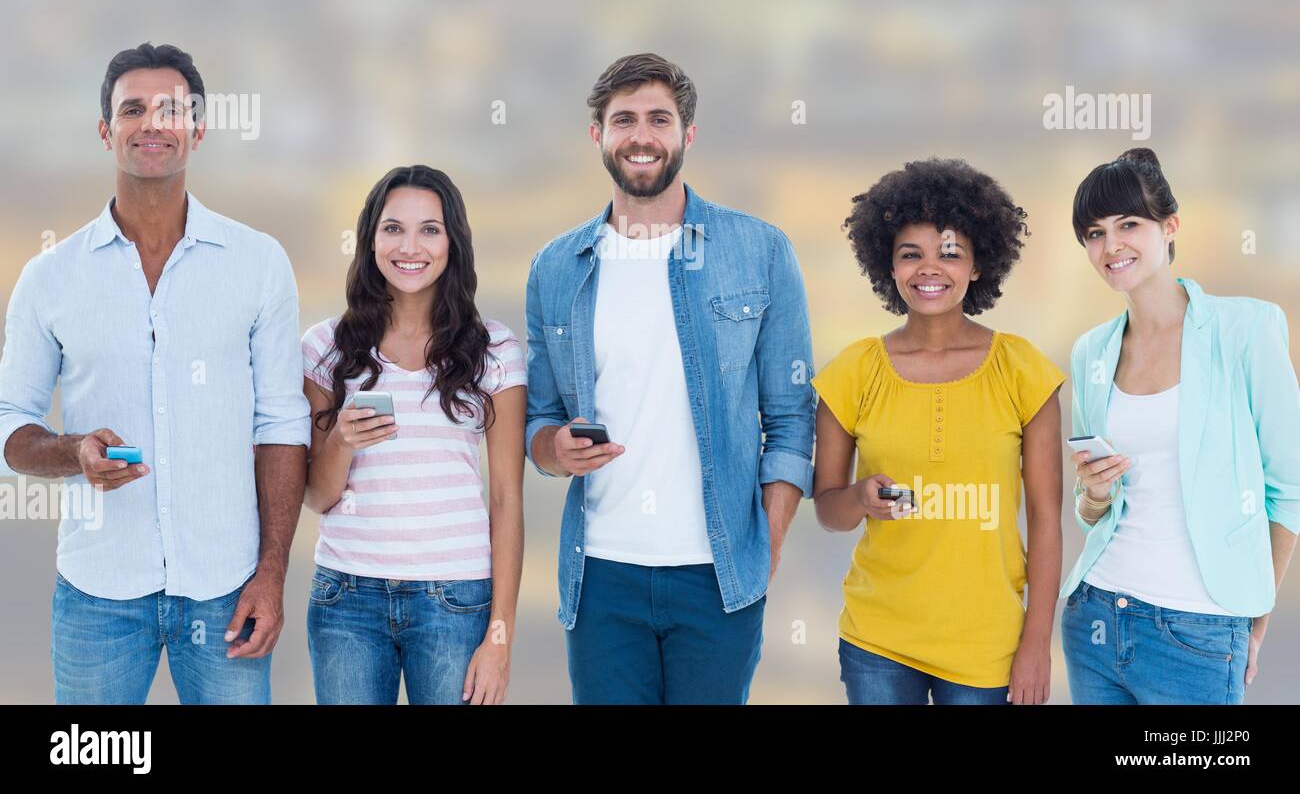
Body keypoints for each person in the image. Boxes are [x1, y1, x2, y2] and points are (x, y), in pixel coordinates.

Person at [0, 42, 310, 704]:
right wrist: (71, 452)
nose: (152, 123)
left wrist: (272, 574)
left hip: (228, 589)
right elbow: (11, 426)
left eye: (171, 109)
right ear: (106, 131)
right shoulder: (48, 279)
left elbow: (281, 423)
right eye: (132, 109)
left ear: (198, 128)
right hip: (98, 597)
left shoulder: (257, 263)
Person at [524, 52, 815, 704]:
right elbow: (538, 421)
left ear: (688, 133)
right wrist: (554, 449)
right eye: (623, 119)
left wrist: (764, 546)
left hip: (717, 574)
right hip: (602, 575)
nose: (642, 135)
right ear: (597, 135)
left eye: (659, 118)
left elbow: (794, 419)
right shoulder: (556, 268)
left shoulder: (760, 250)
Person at [811, 158, 1063, 705]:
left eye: (950, 252)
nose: (931, 268)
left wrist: (1037, 644)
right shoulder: (852, 371)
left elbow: (1046, 519)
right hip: (878, 639)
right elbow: (828, 511)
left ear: (977, 265)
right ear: (890, 266)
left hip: (988, 643)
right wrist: (859, 497)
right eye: (911, 254)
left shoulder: (1023, 370)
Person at [1059, 148, 1299, 704]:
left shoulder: (1246, 330)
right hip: (1096, 617)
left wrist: (1253, 625)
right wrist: (1094, 492)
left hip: (1202, 631)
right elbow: (1092, 507)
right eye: (1094, 233)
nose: (1110, 245)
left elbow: (1287, 489)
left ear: (1170, 227)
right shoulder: (1091, 351)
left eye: (1129, 224)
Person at [301, 165, 525, 705]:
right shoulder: (324, 346)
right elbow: (316, 495)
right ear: (371, 240)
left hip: (456, 602)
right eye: (393, 228)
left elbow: (506, 500)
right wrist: (343, 441)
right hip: (346, 598)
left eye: (430, 229)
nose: (411, 246)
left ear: (453, 242)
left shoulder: (493, 349)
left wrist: (499, 637)